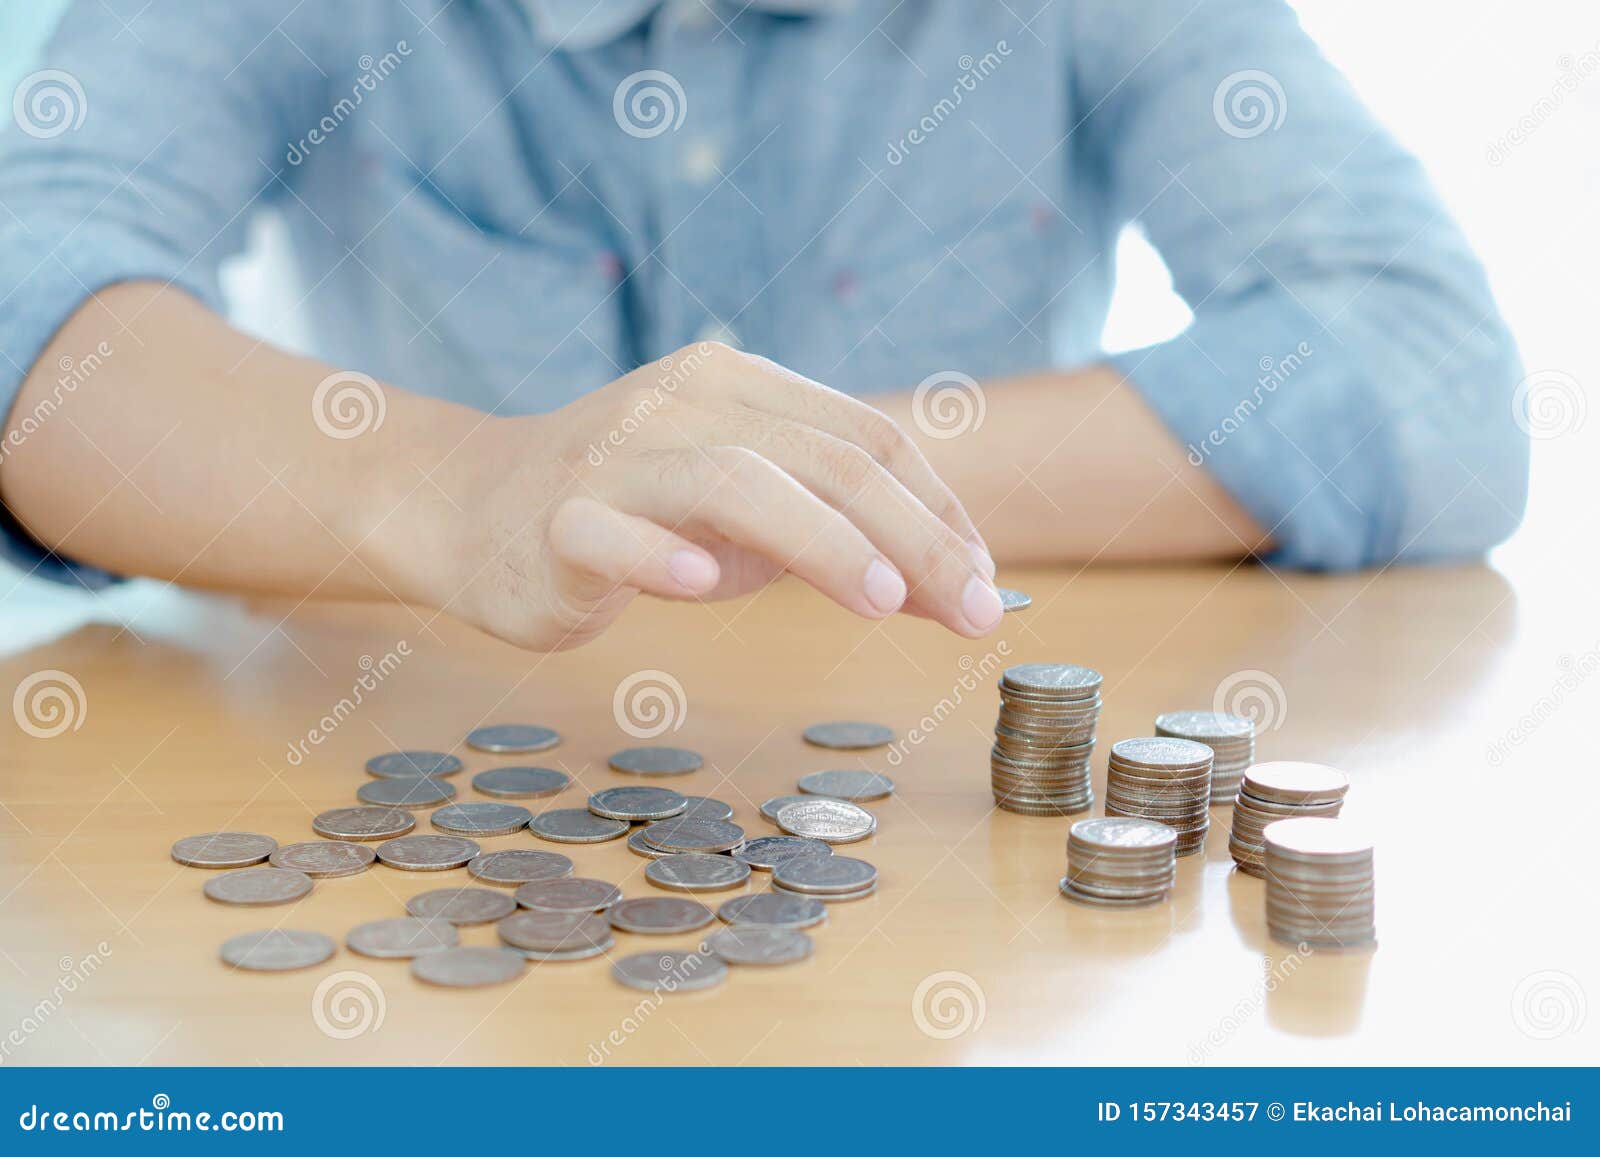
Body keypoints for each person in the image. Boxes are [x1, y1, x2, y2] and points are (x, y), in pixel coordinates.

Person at [0, 0, 1527, 652]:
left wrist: (802, 480)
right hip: (433, 774)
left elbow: (1439, 378)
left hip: (920, 860)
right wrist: (462, 487)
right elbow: (31, 282)